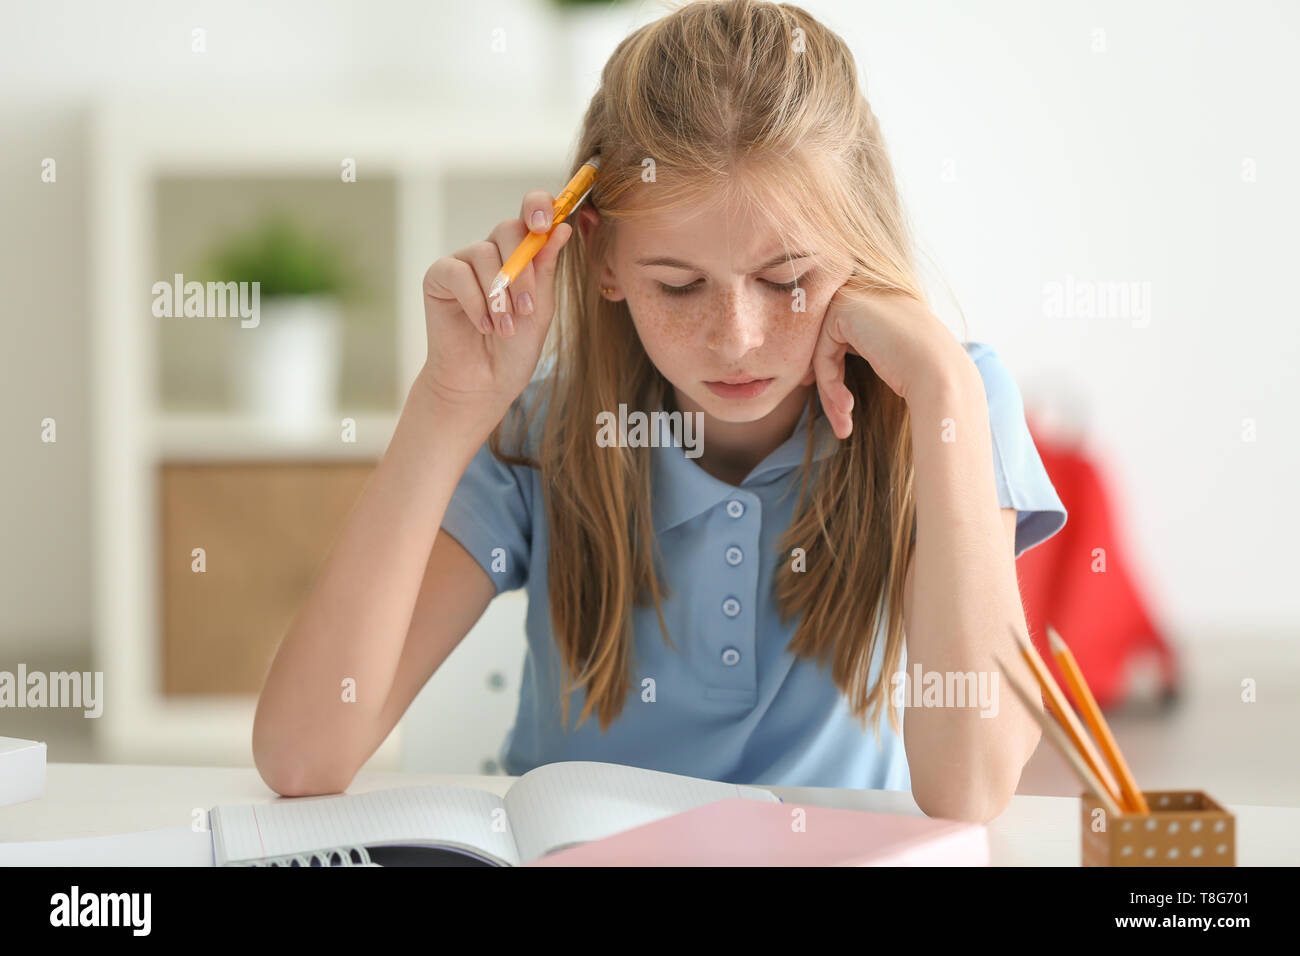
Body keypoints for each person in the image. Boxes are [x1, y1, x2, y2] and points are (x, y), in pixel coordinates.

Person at [254, 0, 1067, 823]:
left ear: (858, 242)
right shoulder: (542, 438)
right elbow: (300, 755)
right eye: (678, 286)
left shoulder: (945, 402)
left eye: (788, 279)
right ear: (601, 255)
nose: (737, 340)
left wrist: (942, 389)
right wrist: (447, 404)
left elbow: (968, 790)